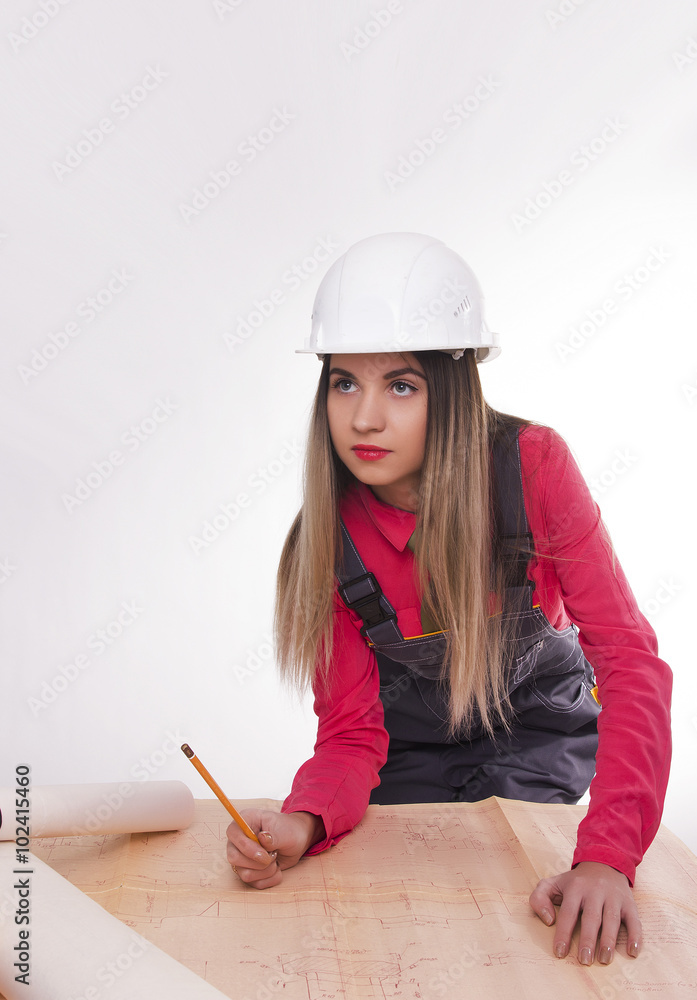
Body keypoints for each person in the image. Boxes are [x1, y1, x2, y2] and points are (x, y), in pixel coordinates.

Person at [226, 232, 672, 967]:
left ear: (454, 385)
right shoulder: (324, 542)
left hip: (541, 743)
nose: (363, 418)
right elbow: (349, 736)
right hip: (410, 763)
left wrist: (606, 856)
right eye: (344, 383)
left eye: (400, 385)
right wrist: (303, 821)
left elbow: (628, 662)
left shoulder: (534, 467)